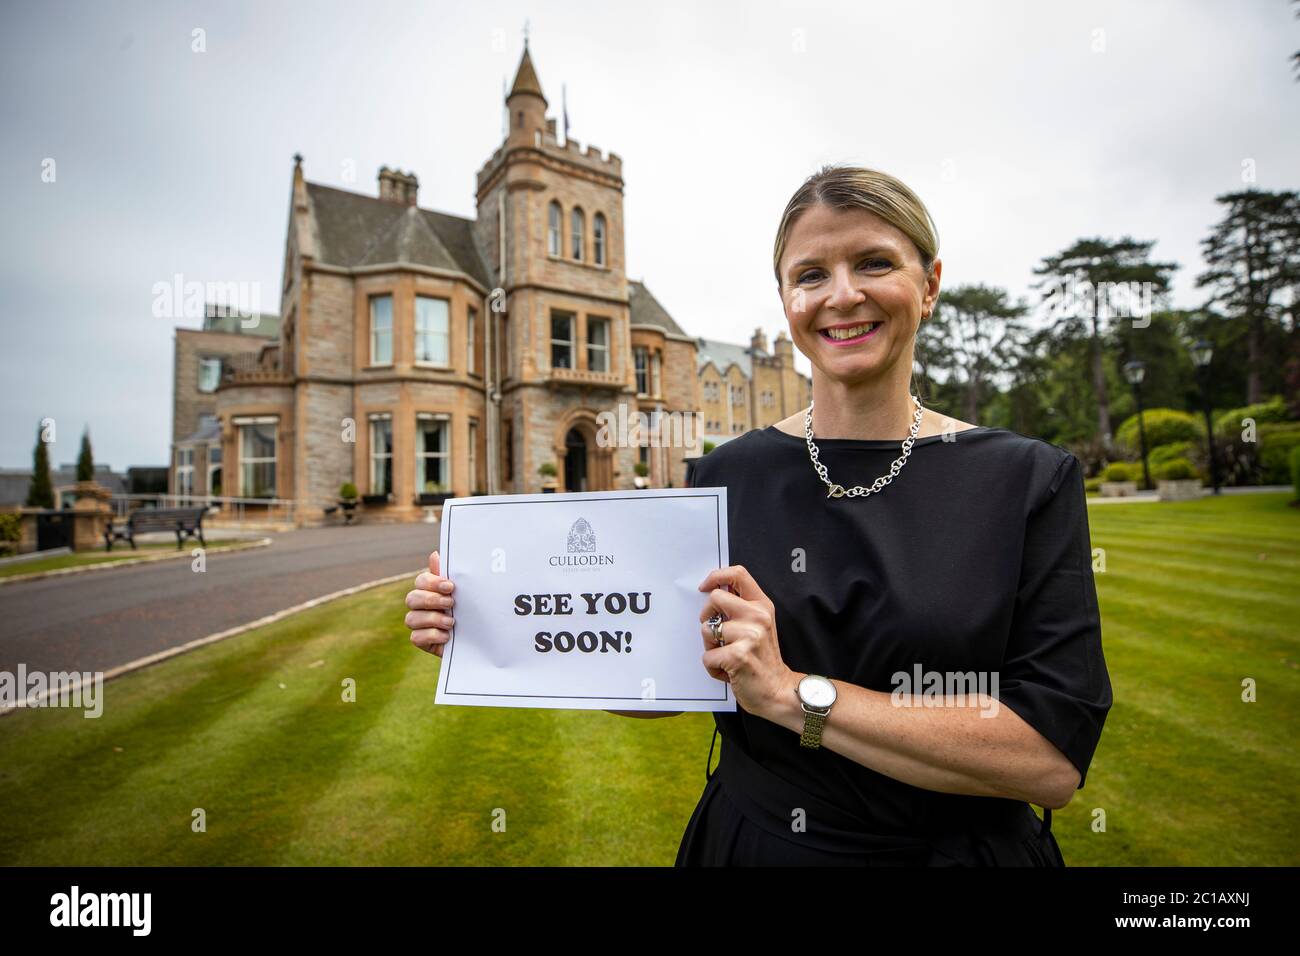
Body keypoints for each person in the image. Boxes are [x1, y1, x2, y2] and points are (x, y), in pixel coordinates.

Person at [404, 163, 1112, 866]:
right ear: (785, 300)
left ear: (928, 284)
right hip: (755, 846)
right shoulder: (725, 476)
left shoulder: (1024, 480)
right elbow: (663, 678)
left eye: (873, 263)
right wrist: (494, 625)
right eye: (810, 275)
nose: (842, 295)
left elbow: (1048, 760)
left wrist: (790, 696)